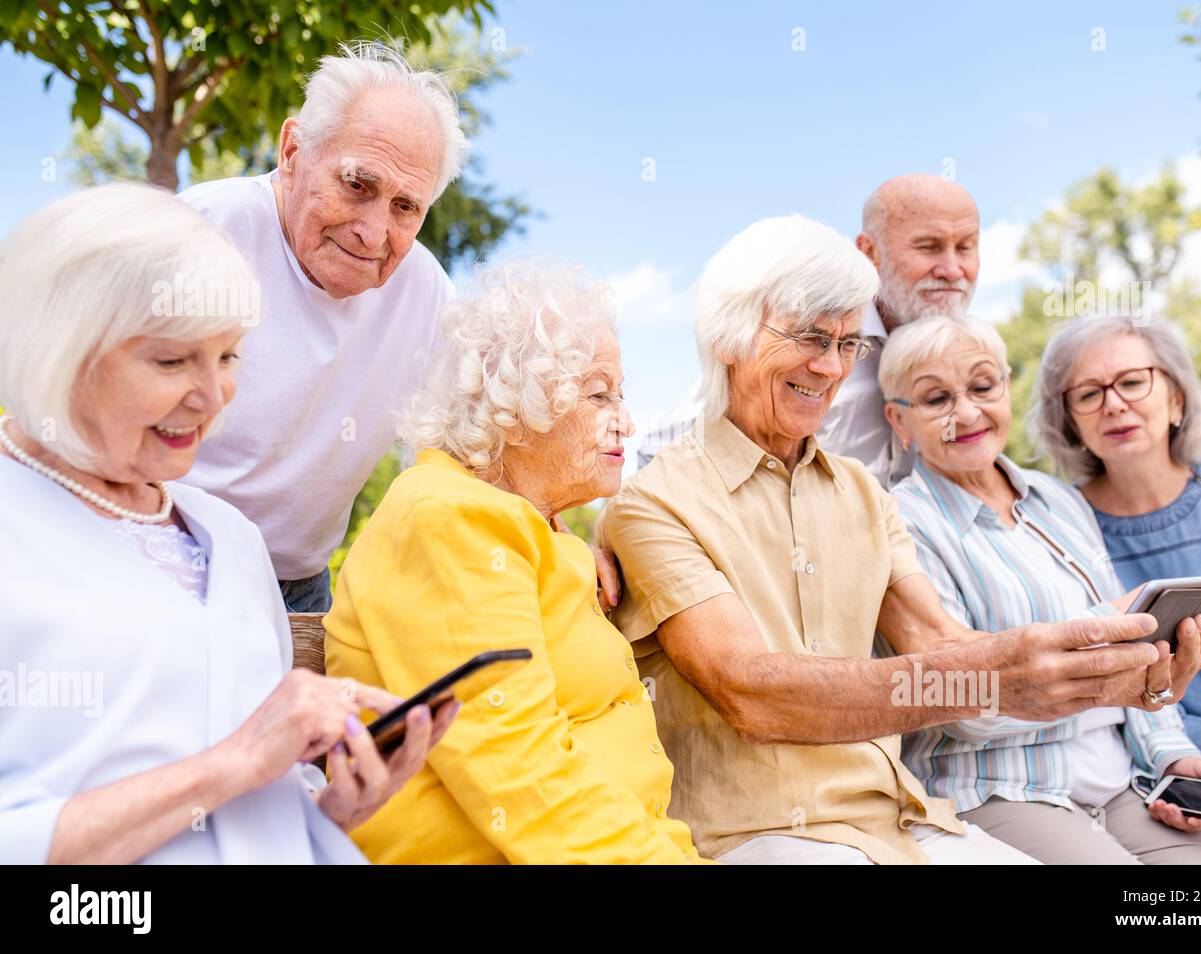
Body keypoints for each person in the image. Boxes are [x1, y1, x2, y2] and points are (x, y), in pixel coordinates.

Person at [599, 215, 1201, 865]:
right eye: (810, 337)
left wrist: (1108, 677)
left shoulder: (864, 492)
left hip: (899, 819)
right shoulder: (654, 502)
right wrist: (1001, 677)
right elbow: (755, 694)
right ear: (731, 336)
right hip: (759, 831)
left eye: (845, 343)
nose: (829, 367)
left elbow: (940, 644)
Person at [0, 185, 457, 864]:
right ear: (60, 351)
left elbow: (268, 786)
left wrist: (334, 807)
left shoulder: (231, 537)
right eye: (171, 359)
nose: (213, 397)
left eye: (229, 357)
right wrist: (234, 764)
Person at [325, 262, 705, 864]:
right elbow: (517, 764)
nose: (626, 422)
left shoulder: (533, 527)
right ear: (518, 406)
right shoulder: (447, 519)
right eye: (599, 393)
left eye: (622, 394)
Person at [882, 314, 1201, 863]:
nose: (967, 413)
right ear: (900, 422)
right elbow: (959, 701)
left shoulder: (1058, 501)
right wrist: (1107, 641)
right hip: (1001, 788)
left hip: (1122, 781)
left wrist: (1173, 757)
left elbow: (1139, 660)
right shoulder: (903, 522)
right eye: (936, 399)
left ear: (1007, 388)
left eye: (983, 386)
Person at [177, 41, 467, 612]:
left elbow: (481, 442)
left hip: (298, 585)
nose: (373, 232)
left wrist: (566, 534)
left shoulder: (428, 294)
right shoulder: (196, 234)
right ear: (292, 152)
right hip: (163, 552)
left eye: (406, 207)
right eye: (357, 184)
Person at [1032, 314, 1201, 862]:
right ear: (1069, 422)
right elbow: (1085, 691)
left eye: (1132, 382)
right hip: (1167, 776)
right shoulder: (1059, 526)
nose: (1113, 404)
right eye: (1088, 393)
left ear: (1176, 400)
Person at [634, 173, 980, 487]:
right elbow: (658, 457)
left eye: (965, 247)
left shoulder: (967, 351)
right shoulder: (803, 330)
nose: (952, 269)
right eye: (929, 247)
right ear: (869, 252)